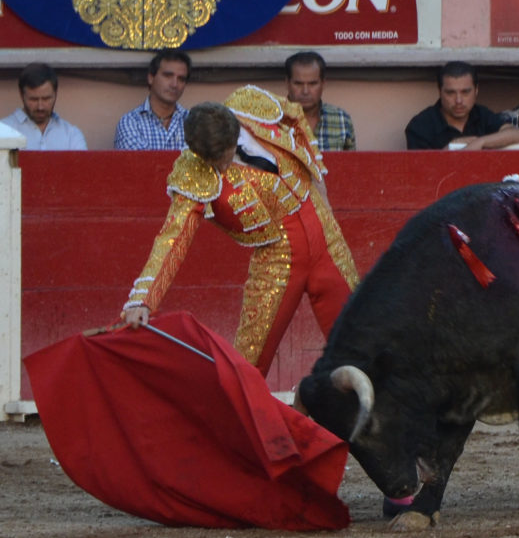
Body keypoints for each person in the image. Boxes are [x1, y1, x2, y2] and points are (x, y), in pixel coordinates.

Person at [121, 86, 360, 376]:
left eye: (224, 155)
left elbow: (295, 115)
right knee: (248, 365)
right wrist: (143, 299)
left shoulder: (249, 105)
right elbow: (174, 236)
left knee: (358, 337)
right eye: (214, 161)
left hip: (323, 230)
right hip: (278, 256)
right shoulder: (193, 170)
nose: (221, 167)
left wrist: (316, 172)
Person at [405, 61, 519, 150]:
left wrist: (480, 142)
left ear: (476, 91)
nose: (458, 100)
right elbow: (421, 171)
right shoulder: (420, 125)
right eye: (450, 93)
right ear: (439, 91)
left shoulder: (481, 114)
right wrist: (452, 147)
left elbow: (517, 136)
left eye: (465, 92)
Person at [114, 48, 191, 150]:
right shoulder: (131, 122)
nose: (174, 84)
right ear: (151, 78)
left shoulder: (194, 123)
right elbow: (139, 164)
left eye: (181, 79)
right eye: (168, 76)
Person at [1, 63, 87, 150]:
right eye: (33, 99)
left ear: (55, 94)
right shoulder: (3, 131)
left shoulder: (71, 135)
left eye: (46, 99)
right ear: (21, 95)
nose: (40, 107)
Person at [285, 51, 356, 151]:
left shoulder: (341, 120)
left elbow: (351, 165)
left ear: (323, 83)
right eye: (298, 84)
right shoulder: (272, 120)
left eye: (313, 84)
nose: (305, 91)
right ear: (287, 83)